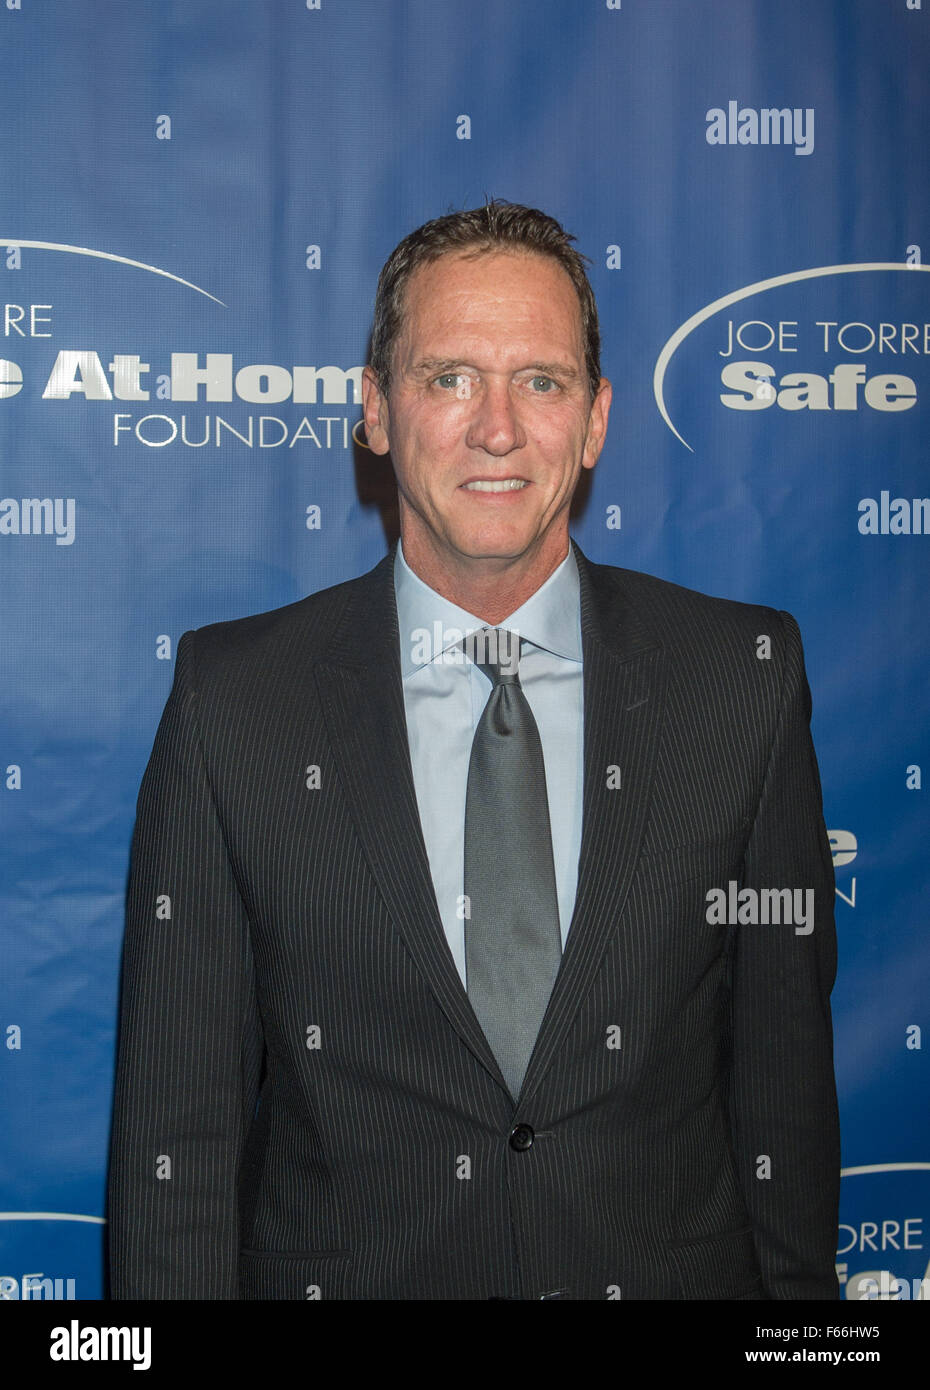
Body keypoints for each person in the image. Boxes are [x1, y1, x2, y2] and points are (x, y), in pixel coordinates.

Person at [108, 201, 840, 1301]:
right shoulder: (236, 702)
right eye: (450, 377)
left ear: (595, 421)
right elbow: (180, 1144)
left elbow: (782, 1094)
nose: (497, 428)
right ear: (375, 412)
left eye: (541, 381)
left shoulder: (741, 680)